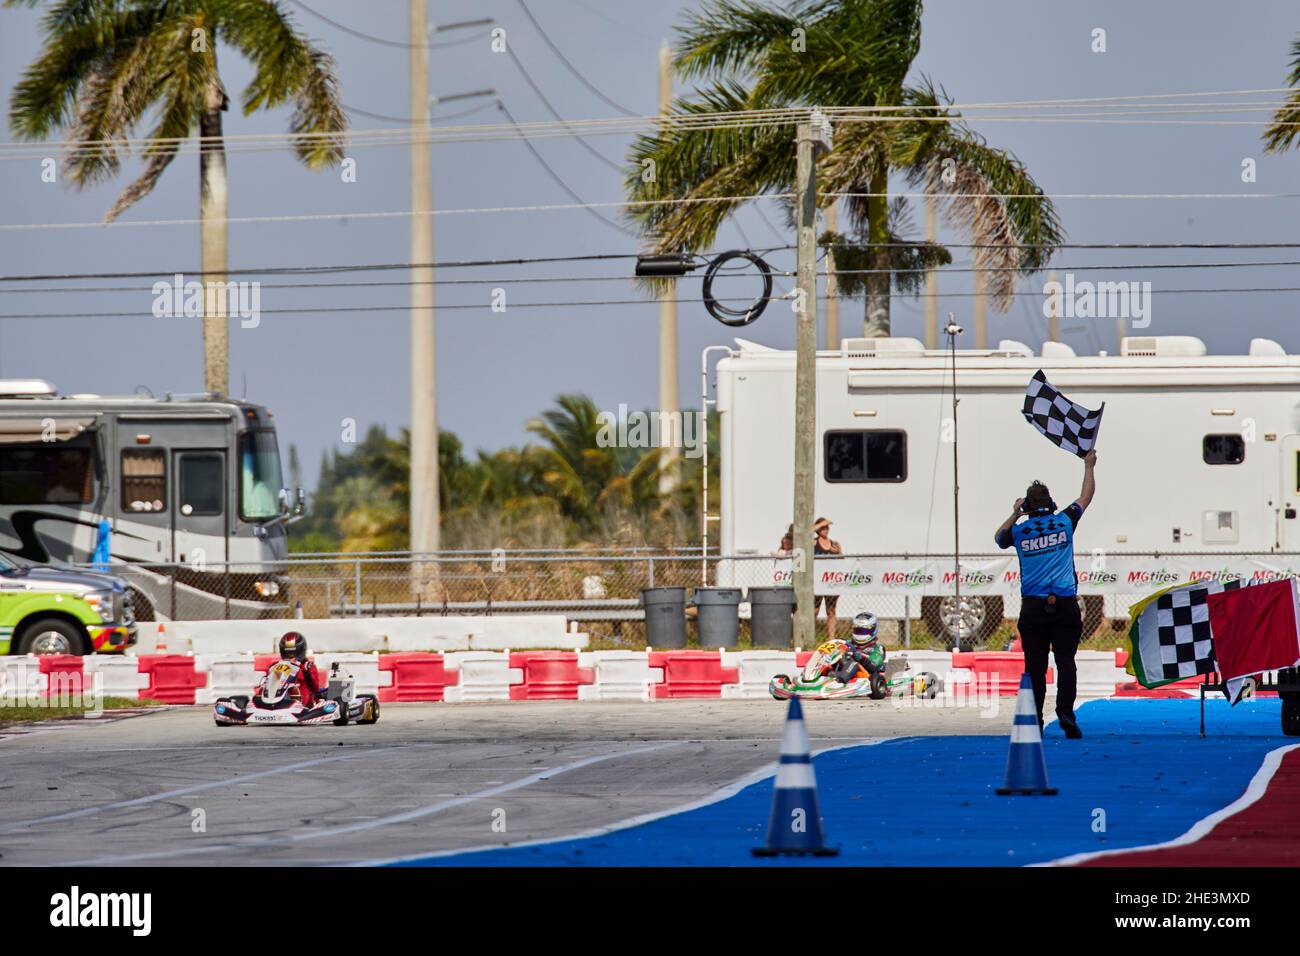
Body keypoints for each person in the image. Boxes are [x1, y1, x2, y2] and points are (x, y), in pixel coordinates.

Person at [994, 450, 1097, 739]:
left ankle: (1036, 720)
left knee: (1035, 668)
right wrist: (1089, 465)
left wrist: (1016, 512)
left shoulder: (1020, 531)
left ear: (1028, 506)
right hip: (1065, 605)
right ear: (1051, 503)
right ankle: (1066, 713)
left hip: (1034, 608)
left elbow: (998, 537)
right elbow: (1086, 496)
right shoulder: (1064, 521)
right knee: (1066, 662)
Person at [831, 612, 885, 685]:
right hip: (843, 669)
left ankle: (839, 681)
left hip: (865, 676)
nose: (860, 633)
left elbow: (874, 667)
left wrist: (862, 659)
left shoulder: (878, 648)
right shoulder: (847, 643)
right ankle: (821, 676)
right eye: (858, 630)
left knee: (854, 663)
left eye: (863, 631)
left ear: (873, 630)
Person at [277, 630, 326, 707]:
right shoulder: (278, 665)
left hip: (302, 700)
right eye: (287, 654)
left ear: (301, 651)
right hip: (278, 695)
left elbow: (315, 689)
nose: (290, 656)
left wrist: (306, 673)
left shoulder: (308, 666)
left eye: (293, 654)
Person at [813, 517, 842, 639]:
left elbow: (842, 562)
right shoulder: (813, 542)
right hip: (817, 582)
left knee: (831, 611)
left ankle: (831, 639)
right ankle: (810, 637)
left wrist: (839, 553)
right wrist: (820, 524)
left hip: (830, 582)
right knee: (814, 610)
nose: (825, 530)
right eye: (823, 527)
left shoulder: (834, 544)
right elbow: (805, 535)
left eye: (827, 527)